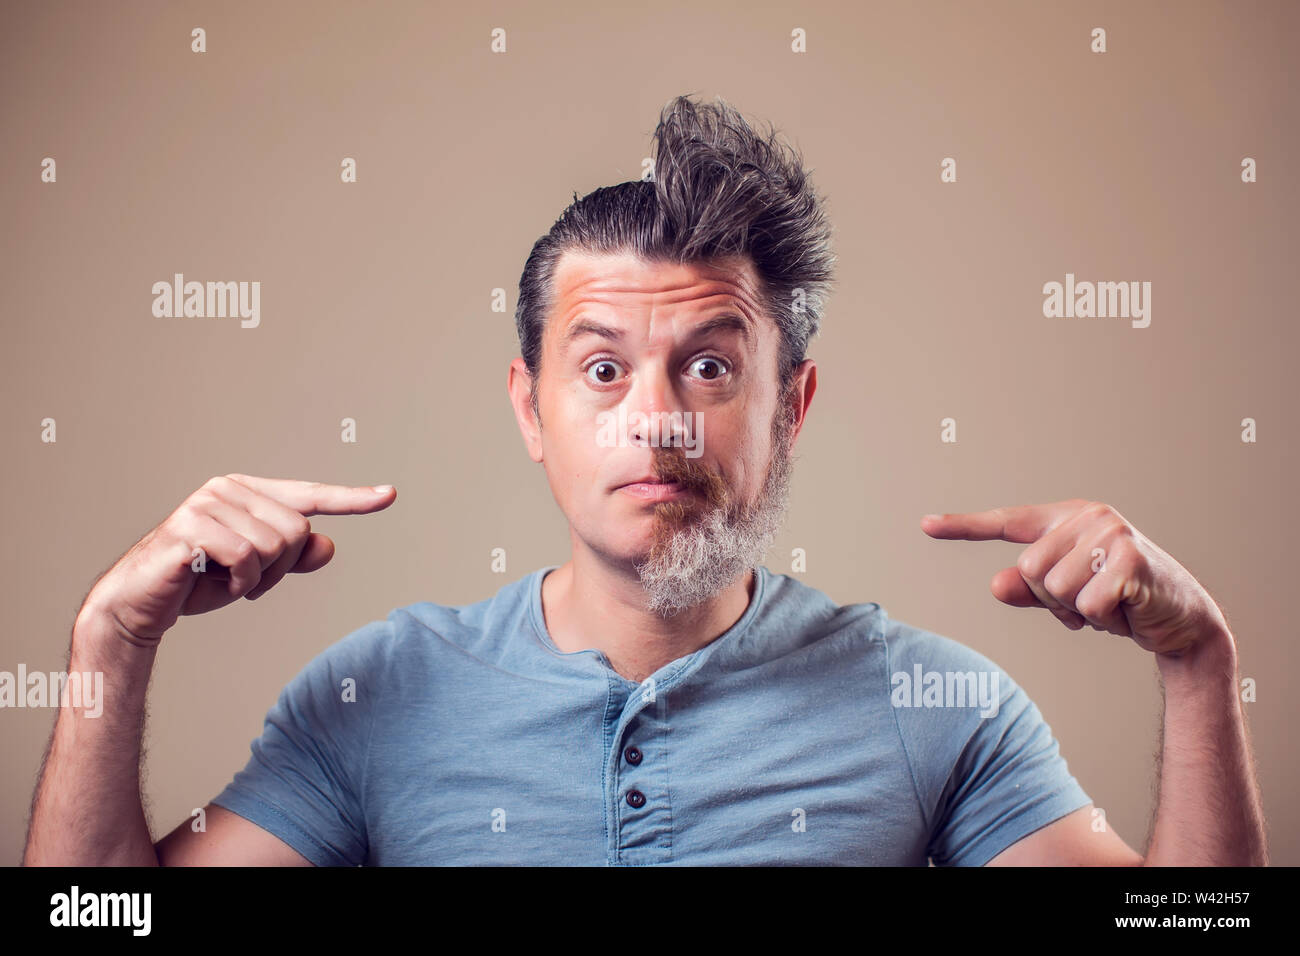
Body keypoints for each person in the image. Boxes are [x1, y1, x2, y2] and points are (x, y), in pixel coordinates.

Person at [23, 95, 1266, 866]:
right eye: (604, 368)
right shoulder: (376, 695)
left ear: (790, 408)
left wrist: (1198, 662)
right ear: (530, 408)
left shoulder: (933, 701)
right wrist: (110, 637)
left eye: (711, 366)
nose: (660, 423)